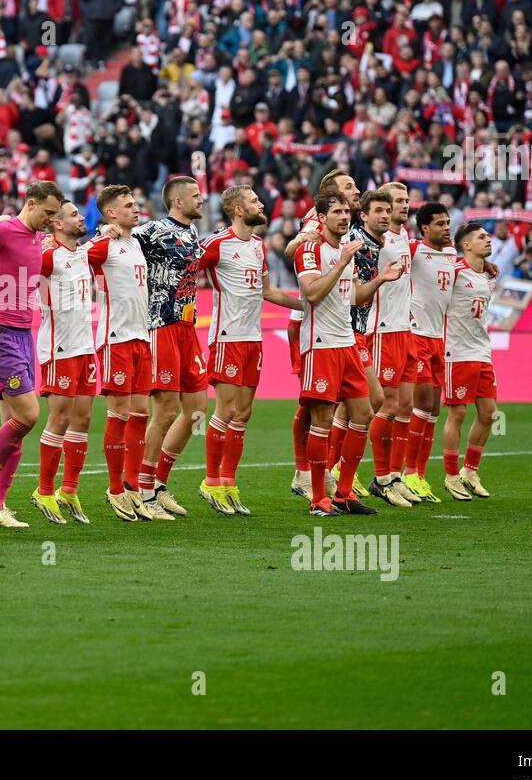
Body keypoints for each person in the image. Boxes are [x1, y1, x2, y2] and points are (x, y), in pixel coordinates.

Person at [294, 193, 402, 515]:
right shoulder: (309, 250)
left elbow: (354, 296)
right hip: (321, 344)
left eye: (346, 211)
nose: (344, 216)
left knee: (364, 413)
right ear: (322, 217)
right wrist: (341, 262)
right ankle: (318, 499)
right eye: (337, 212)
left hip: (347, 343)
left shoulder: (346, 252)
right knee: (323, 419)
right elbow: (312, 293)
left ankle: (343, 493)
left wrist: (380, 280)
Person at [198, 185, 302, 515]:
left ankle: (229, 482)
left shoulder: (258, 246)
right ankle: (211, 481)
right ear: (239, 210)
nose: (261, 203)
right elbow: (186, 269)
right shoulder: (216, 243)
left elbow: (268, 292)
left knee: (243, 414)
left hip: (252, 339)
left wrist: (306, 305)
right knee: (225, 412)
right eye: (254, 200)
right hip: (227, 337)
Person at [0, 181, 64, 528]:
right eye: (48, 213)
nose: (51, 220)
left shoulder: (38, 236)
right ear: (32, 202)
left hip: (23, 334)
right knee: (28, 415)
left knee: (16, 428)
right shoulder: (2, 230)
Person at [133, 174, 206, 520]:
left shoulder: (192, 232)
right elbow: (119, 242)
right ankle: (142, 489)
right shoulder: (152, 231)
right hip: (161, 324)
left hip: (188, 327)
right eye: (195, 195)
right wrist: (107, 232)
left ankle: (158, 482)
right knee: (164, 410)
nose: (202, 199)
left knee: (196, 411)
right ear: (178, 201)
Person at [285, 168, 361, 499]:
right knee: (318, 405)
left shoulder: (343, 228)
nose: (355, 190)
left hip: (338, 326)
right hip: (311, 324)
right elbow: (293, 251)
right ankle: (308, 473)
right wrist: (298, 242)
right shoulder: (317, 226)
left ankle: (318, 474)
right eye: (348, 187)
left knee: (326, 404)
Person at [86, 185, 153, 522]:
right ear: (110, 212)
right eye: (128, 205)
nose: (135, 208)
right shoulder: (106, 244)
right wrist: (99, 235)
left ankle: (133, 485)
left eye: (135, 202)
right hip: (116, 338)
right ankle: (115, 489)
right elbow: (79, 257)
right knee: (120, 414)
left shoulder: (135, 242)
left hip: (142, 337)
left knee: (141, 412)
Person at [344, 188, 413, 508]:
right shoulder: (359, 242)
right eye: (384, 208)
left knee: (388, 404)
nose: (391, 212)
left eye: (398, 205)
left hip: (385, 327)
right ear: (364, 214)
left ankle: (383, 477)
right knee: (369, 404)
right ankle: (351, 478)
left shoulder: (389, 239)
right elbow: (356, 295)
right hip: (369, 329)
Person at [30, 200, 94, 525]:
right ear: (56, 224)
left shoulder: (84, 251)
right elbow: (21, 270)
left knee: (82, 419)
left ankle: (68, 490)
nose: (81, 218)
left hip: (86, 347)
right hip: (59, 349)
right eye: (73, 215)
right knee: (60, 418)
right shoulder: (47, 255)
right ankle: (44, 490)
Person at [365, 182, 422, 507]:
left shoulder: (403, 239)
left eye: (403, 201)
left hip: (406, 329)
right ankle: (381, 476)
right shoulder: (374, 239)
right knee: (384, 406)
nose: (400, 207)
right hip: (382, 329)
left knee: (405, 406)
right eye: (392, 203)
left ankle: (396, 475)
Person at [400, 202, 458, 504]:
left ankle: (420, 474)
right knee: (420, 407)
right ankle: (409, 473)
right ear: (425, 228)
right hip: (416, 336)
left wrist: (484, 266)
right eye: (439, 224)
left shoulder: (451, 255)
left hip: (439, 338)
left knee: (434, 411)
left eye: (448, 222)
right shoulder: (413, 251)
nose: (446, 227)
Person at [442, 223, 498, 501]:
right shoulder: (453, 270)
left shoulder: (488, 276)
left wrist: (488, 266)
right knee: (458, 414)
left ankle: (470, 471)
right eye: (481, 237)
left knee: (489, 413)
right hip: (457, 352)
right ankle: (451, 475)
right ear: (466, 245)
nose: (488, 240)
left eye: (487, 236)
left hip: (482, 351)